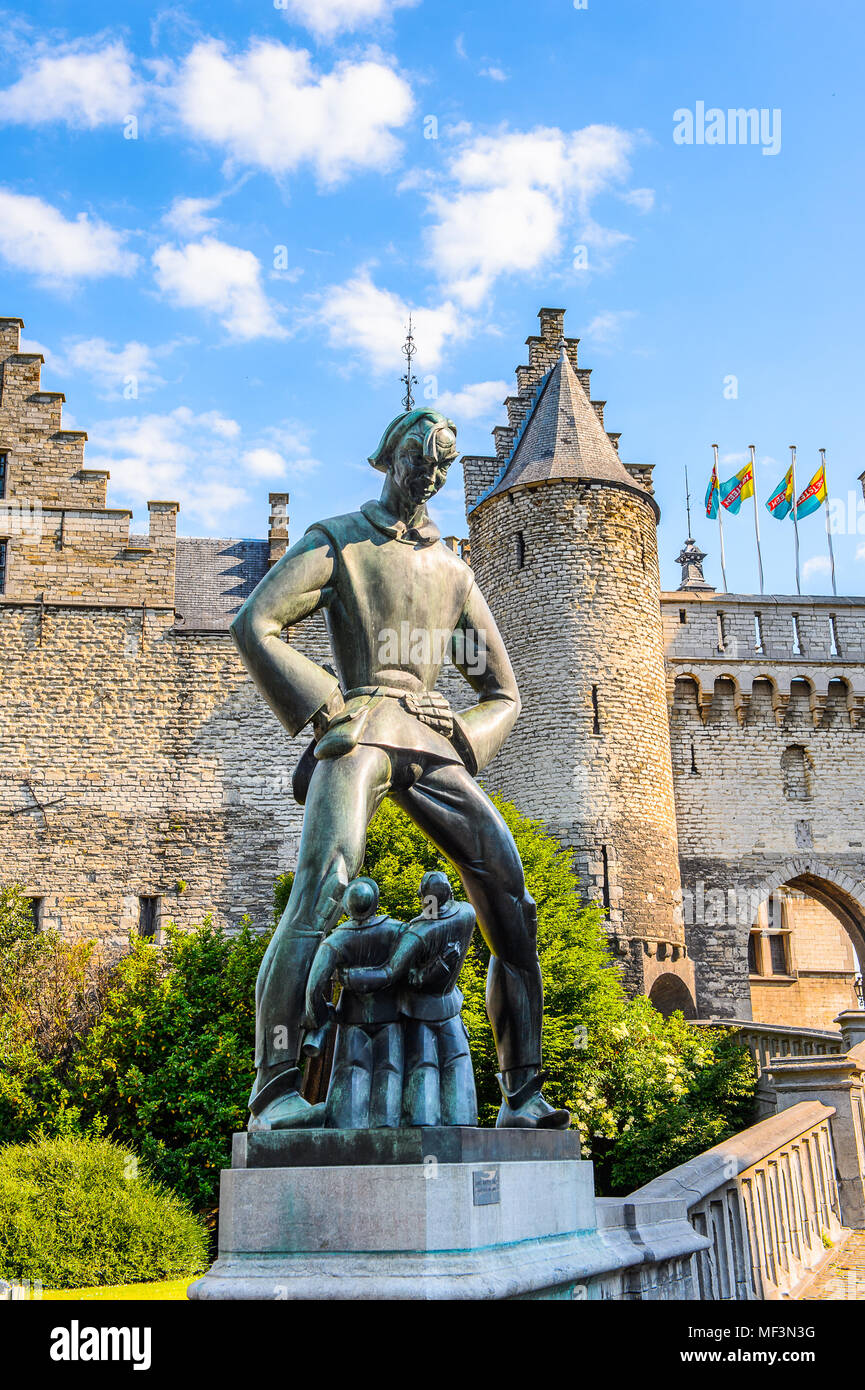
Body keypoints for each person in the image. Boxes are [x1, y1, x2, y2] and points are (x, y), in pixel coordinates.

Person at [232, 407, 569, 1132]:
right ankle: (274, 1094)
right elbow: (254, 623)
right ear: (391, 456)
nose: (432, 476)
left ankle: (522, 1092)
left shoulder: (453, 570)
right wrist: (326, 709)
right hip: (361, 730)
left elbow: (503, 692)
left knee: (510, 904)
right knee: (320, 894)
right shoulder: (339, 543)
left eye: (444, 466)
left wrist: (467, 734)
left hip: (431, 739)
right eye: (422, 460)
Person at [342, 871, 477, 1127]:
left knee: (423, 1066)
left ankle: (421, 1121)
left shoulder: (418, 933)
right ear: (449, 892)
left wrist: (351, 977)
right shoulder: (468, 913)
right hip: (450, 1005)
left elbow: (389, 974)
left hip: (420, 1010)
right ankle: (462, 1120)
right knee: (458, 1062)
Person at [303, 877, 403, 1130]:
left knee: (352, 1072)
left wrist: (320, 1017)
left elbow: (314, 987)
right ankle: (387, 1128)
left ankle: (348, 1130)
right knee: (389, 1071)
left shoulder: (336, 941)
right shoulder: (396, 930)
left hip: (351, 1018)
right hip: (390, 1014)